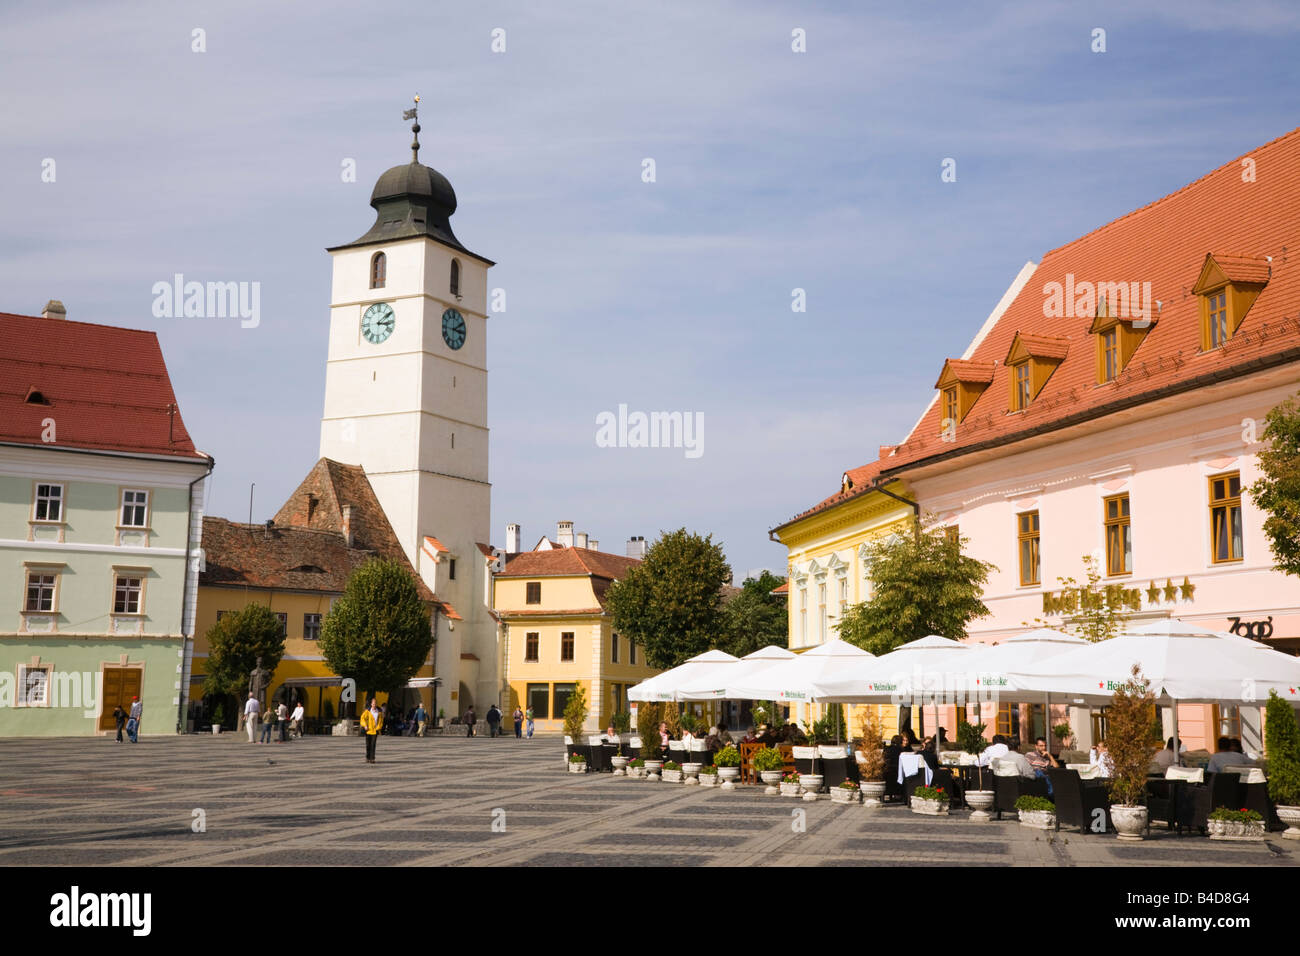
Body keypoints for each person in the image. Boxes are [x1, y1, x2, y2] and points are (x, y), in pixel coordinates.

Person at [360, 698, 383, 763]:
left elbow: (380, 721)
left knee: (373, 745)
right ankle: (367, 757)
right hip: (368, 730)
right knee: (368, 745)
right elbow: (362, 718)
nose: (374, 705)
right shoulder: (367, 711)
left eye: (375, 703)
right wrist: (365, 725)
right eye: (373, 703)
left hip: (375, 731)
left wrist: (378, 728)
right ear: (371, 704)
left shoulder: (379, 712)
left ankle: (372, 758)